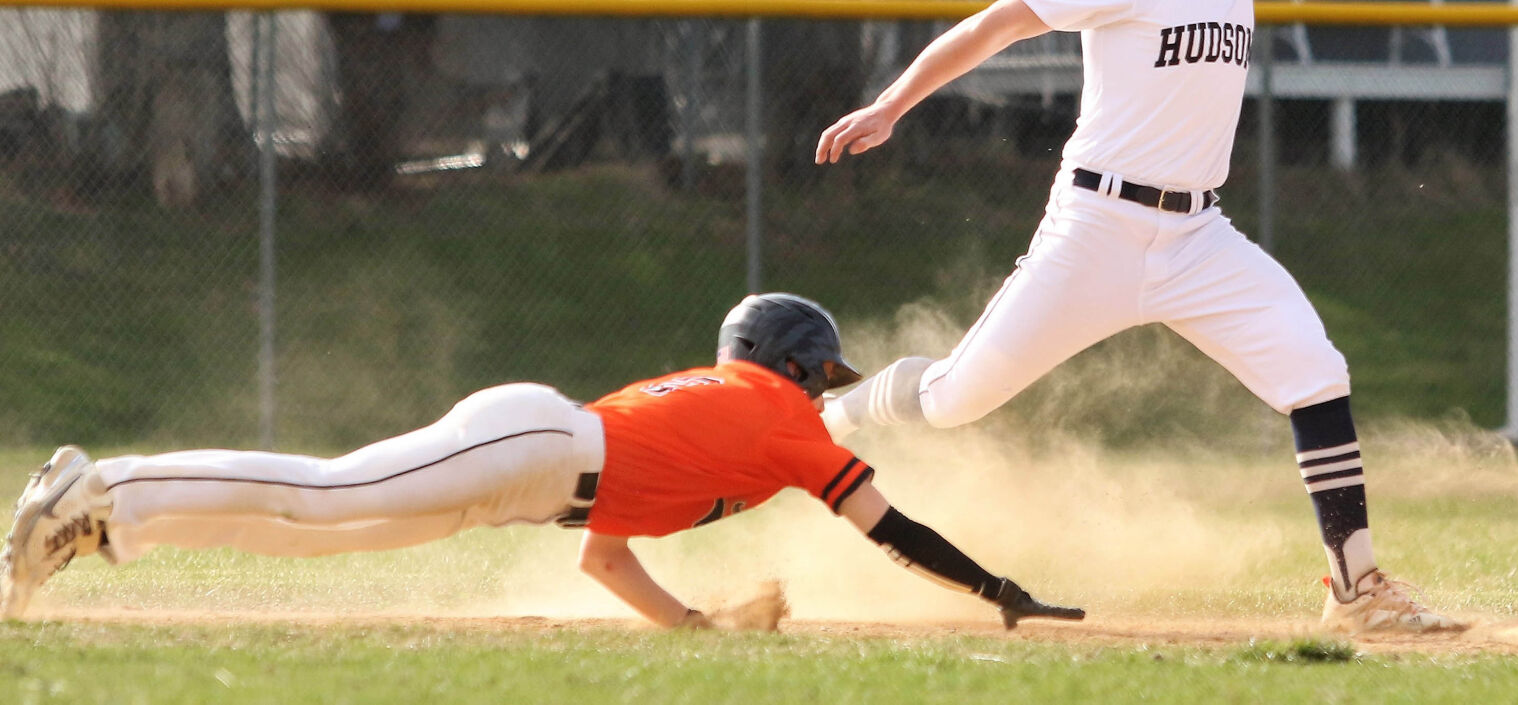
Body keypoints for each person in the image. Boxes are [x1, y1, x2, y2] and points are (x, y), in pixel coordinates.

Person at [816, 0, 1473, 634]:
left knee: (1316, 371)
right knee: (955, 400)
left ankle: (1357, 587)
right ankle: (842, 407)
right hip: (1096, 229)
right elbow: (998, 24)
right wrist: (893, 105)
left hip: (1199, 236)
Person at [0, 294, 1085, 631]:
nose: (823, 385)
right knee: (326, 489)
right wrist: (995, 590)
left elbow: (604, 563)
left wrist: (699, 631)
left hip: (535, 474)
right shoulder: (780, 416)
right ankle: (108, 482)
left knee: (324, 520)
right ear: (797, 364)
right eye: (821, 370)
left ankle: (100, 524)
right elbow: (890, 529)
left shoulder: (730, 412)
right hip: (536, 448)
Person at [316, 0, 439, 187]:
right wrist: (347, 29)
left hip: (394, 40)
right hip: (361, 42)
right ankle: (358, 166)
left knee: (393, 100)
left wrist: (421, 40)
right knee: (360, 101)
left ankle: (385, 166)